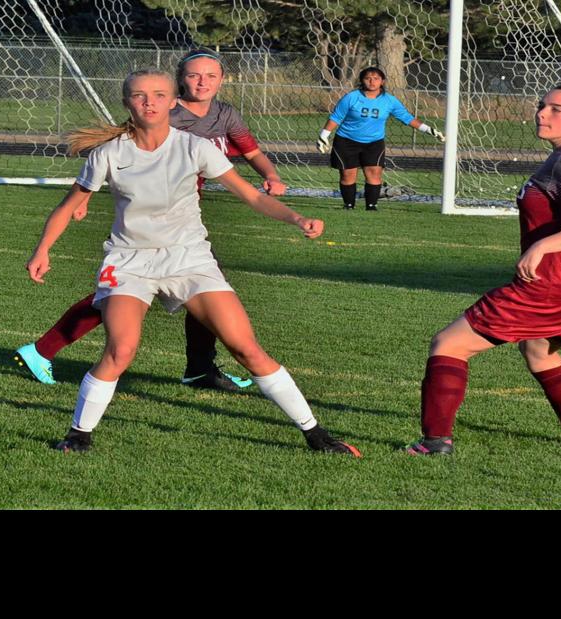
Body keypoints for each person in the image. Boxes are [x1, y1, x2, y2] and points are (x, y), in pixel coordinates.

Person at [27, 68, 359, 457]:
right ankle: (78, 435)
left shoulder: (195, 147)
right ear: (127, 103)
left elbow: (251, 196)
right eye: (139, 95)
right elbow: (68, 206)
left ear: (172, 101)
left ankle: (316, 435)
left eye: (157, 94)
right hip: (130, 261)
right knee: (121, 351)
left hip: (190, 258)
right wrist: (42, 249)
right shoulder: (109, 154)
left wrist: (297, 218)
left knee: (246, 348)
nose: (149, 102)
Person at [13, 50, 286, 393]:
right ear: (179, 83)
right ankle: (45, 351)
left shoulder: (224, 114)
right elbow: (125, 157)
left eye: (211, 76)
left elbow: (250, 150)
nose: (202, 82)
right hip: (149, 225)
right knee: (121, 297)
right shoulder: (167, 116)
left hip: (182, 223)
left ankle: (199, 368)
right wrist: (79, 204)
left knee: (201, 293)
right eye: (193, 75)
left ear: (222, 81)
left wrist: (271, 174)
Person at [405, 84, 561, 456]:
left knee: (449, 344)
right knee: (540, 351)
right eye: (542, 106)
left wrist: (546, 248)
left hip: (554, 288)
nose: (542, 114)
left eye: (556, 109)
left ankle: (435, 442)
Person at [317, 66, 443, 211]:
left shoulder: (389, 101)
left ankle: (371, 207)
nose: (372, 81)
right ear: (362, 81)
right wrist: (324, 135)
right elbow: (336, 117)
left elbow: (407, 118)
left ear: (382, 81)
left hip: (374, 143)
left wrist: (430, 130)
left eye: (376, 78)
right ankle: (348, 206)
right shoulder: (351, 97)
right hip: (346, 141)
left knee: (374, 174)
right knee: (347, 175)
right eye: (368, 78)